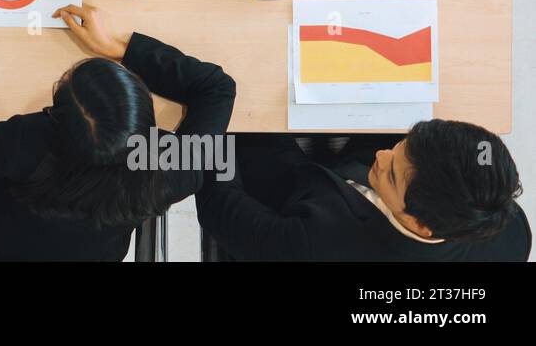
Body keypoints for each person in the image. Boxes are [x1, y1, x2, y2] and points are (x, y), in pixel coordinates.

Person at [0, 0, 236, 261]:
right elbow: (216, 88)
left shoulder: (26, 144)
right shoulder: (173, 170)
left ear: (55, 120)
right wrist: (119, 48)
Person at [196, 122, 531, 261]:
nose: (382, 156)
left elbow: (220, 206)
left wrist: (211, 133)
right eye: (403, 145)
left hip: (297, 195)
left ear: (420, 225)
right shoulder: (510, 228)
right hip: (347, 173)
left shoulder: (315, 243)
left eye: (394, 174)